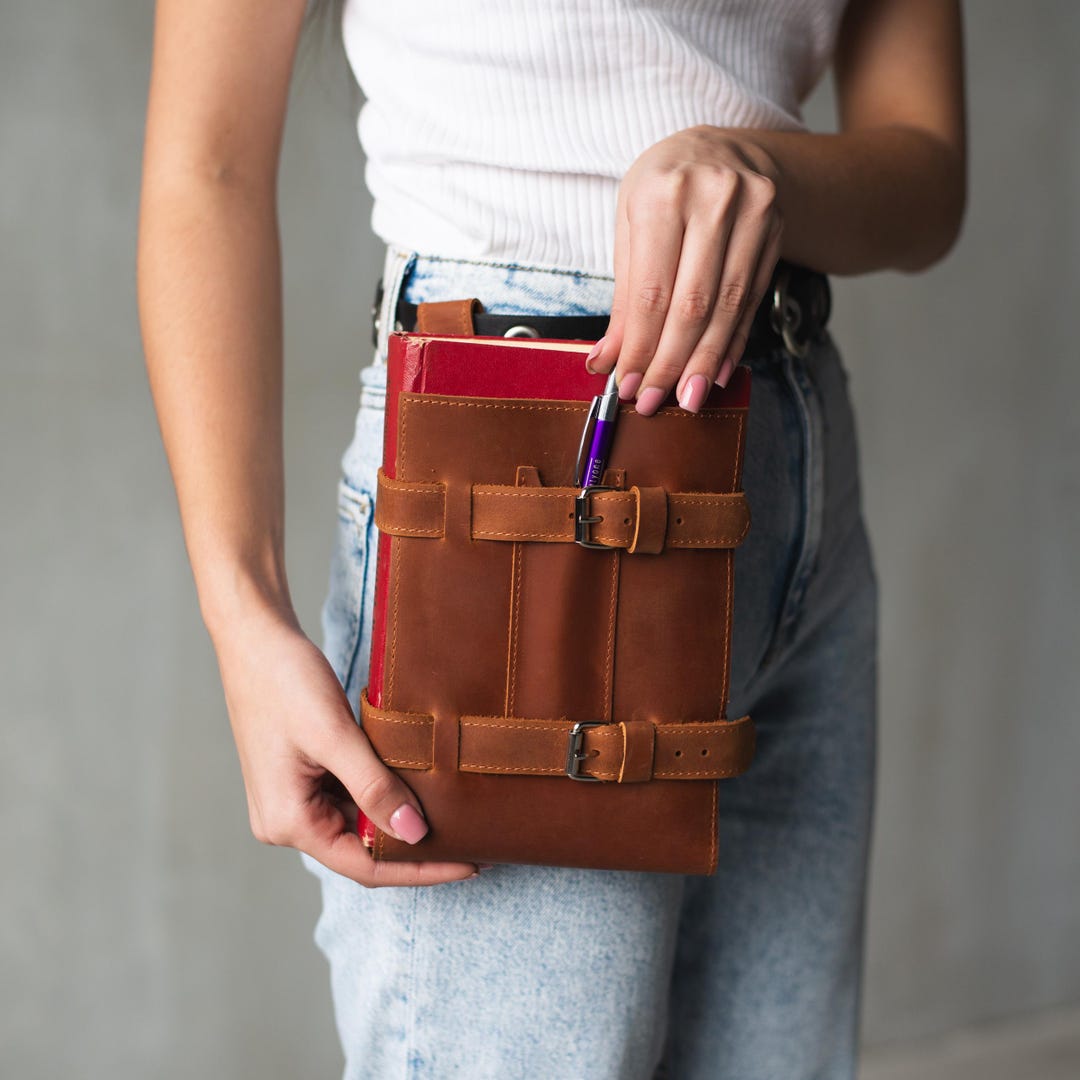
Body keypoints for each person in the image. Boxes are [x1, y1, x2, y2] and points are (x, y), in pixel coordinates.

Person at [137, 0, 966, 1076]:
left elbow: (928, 173)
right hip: (525, 435)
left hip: (792, 436)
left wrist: (761, 165)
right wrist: (241, 613)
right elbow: (206, 165)